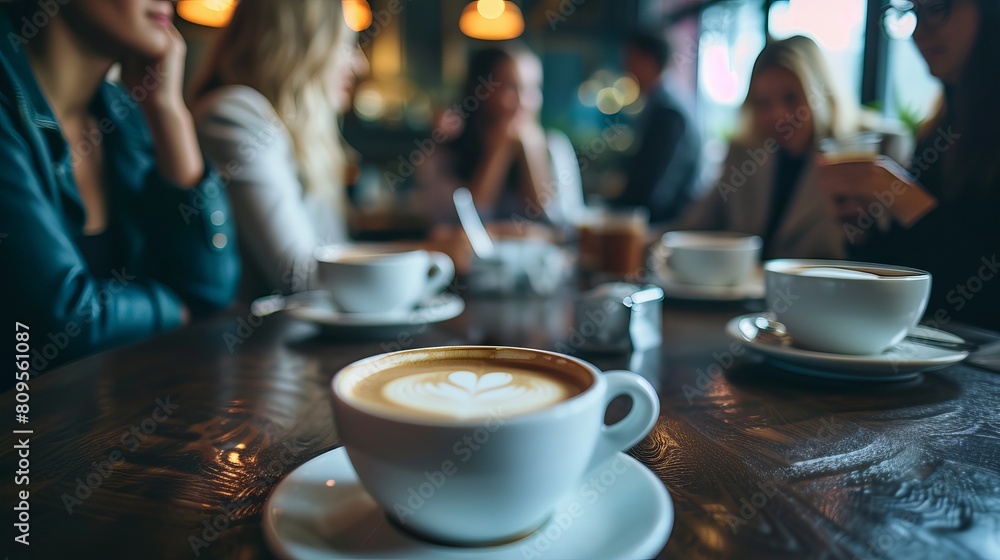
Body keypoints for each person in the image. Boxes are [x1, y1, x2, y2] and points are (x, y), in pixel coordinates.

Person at [0, 0, 239, 378]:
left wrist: (168, 112)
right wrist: (175, 308)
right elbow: (61, 320)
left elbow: (210, 287)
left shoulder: (121, 114)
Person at [818, 0, 999, 330]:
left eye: (938, 8)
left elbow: (987, 300)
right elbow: (920, 277)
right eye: (913, 13)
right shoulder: (941, 129)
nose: (920, 31)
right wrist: (863, 234)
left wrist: (906, 199)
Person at [190, 0, 367, 300]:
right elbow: (299, 276)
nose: (360, 64)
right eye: (346, 45)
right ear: (301, 49)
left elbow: (333, 253)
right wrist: (426, 257)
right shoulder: (233, 113)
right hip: (247, 342)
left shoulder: (302, 134)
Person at [674, 36, 865, 260]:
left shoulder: (864, 157)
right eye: (763, 103)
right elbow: (694, 225)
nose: (779, 115)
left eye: (791, 98)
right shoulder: (743, 154)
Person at [417, 44, 583, 226]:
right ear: (480, 91)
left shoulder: (554, 146)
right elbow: (455, 226)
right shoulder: (446, 150)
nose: (524, 102)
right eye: (511, 88)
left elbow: (563, 227)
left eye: (533, 88)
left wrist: (531, 150)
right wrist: (498, 153)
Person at [609, 31, 701, 224]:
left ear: (648, 61)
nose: (626, 70)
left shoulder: (668, 110)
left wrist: (614, 210)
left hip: (668, 223)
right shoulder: (666, 101)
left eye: (630, 61)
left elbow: (655, 188)